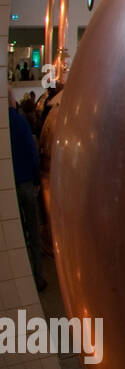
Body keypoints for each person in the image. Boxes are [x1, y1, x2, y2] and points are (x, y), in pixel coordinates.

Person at [9, 93, 44, 291]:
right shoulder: (21, 123)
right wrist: (37, 179)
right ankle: (37, 277)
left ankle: (20, 279)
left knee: (18, 236)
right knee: (33, 229)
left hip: (12, 186)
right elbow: (32, 154)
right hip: (26, 184)